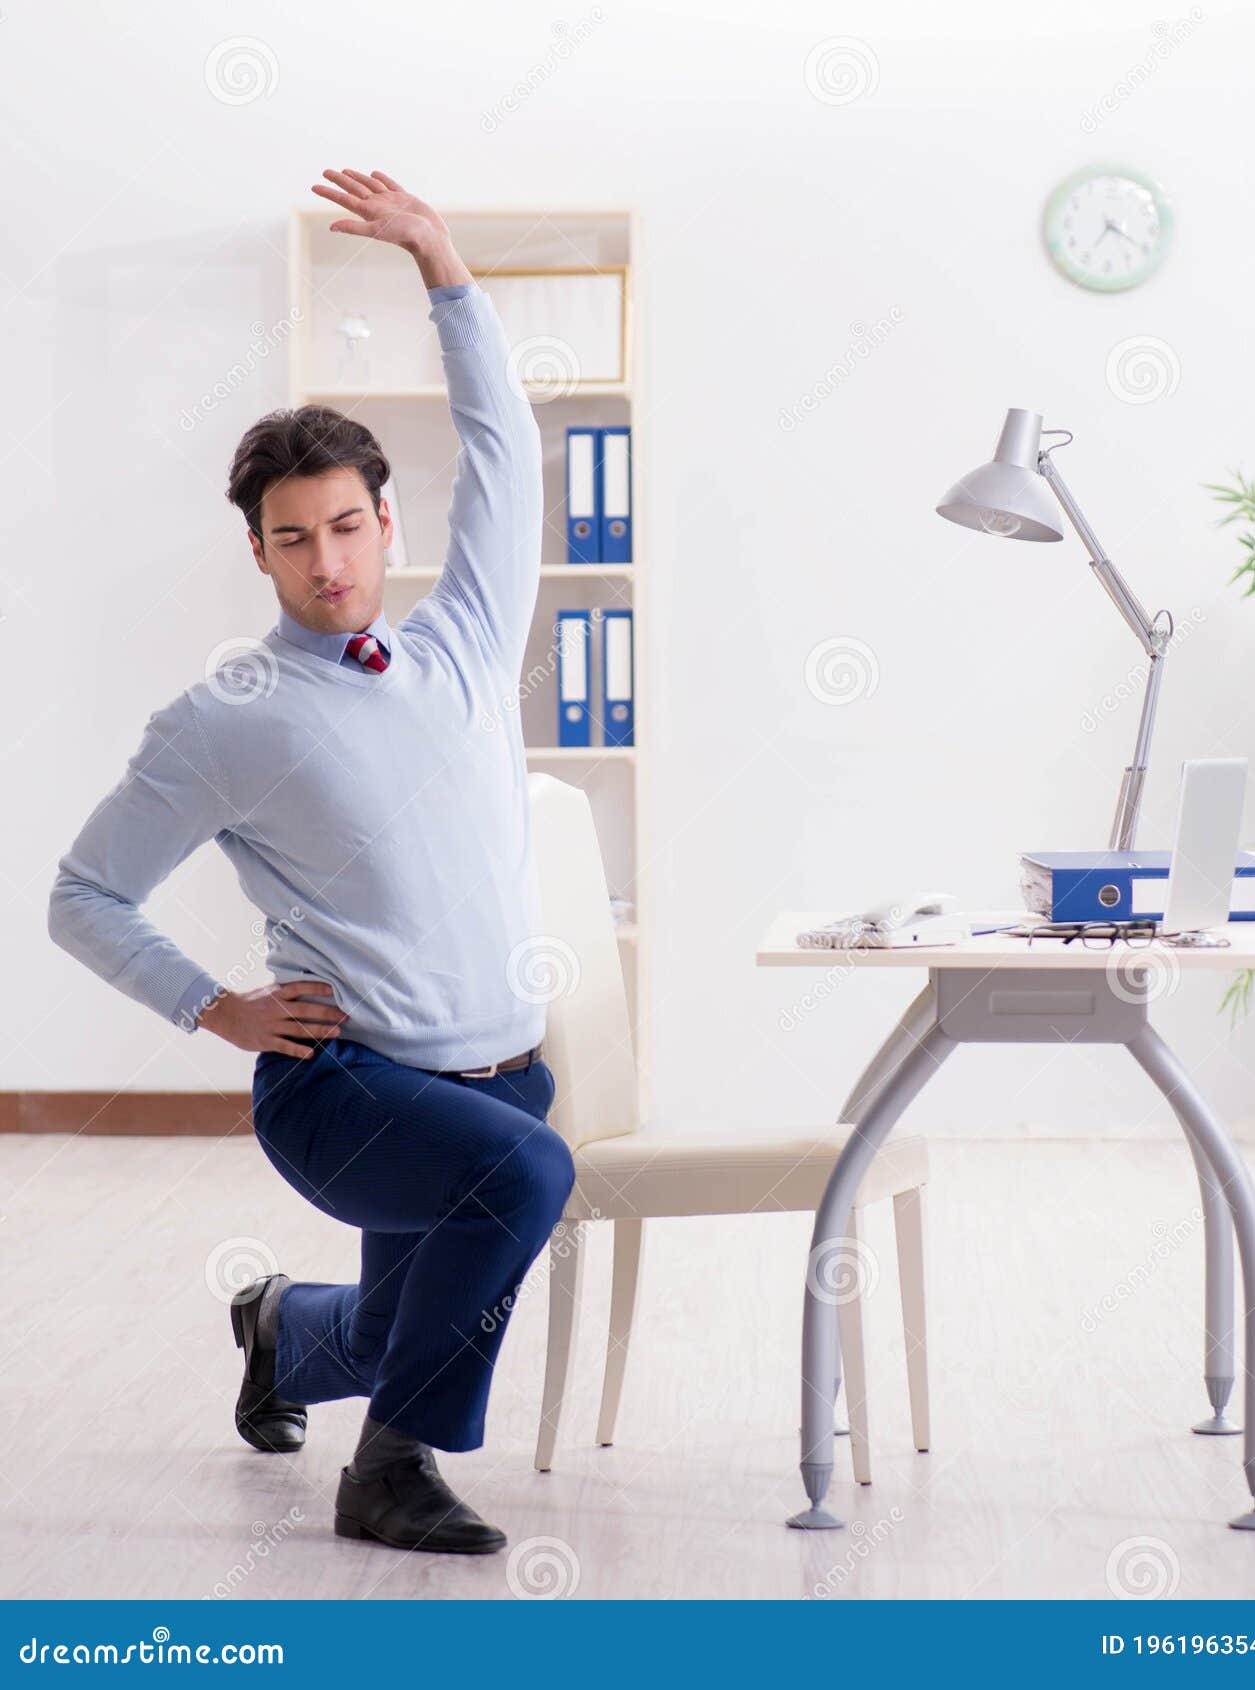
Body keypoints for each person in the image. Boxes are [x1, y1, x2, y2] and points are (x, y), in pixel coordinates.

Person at [47, 167, 575, 1555]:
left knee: (408, 1316)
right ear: (259, 552)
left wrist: (443, 267)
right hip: (347, 1092)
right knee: (525, 1178)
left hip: (502, 1072)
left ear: (386, 522)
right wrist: (215, 1008)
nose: (326, 562)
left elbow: (504, 446)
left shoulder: (466, 641)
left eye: (346, 526)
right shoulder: (229, 715)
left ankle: (280, 1329)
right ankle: (387, 1475)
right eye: (293, 539)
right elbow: (82, 895)